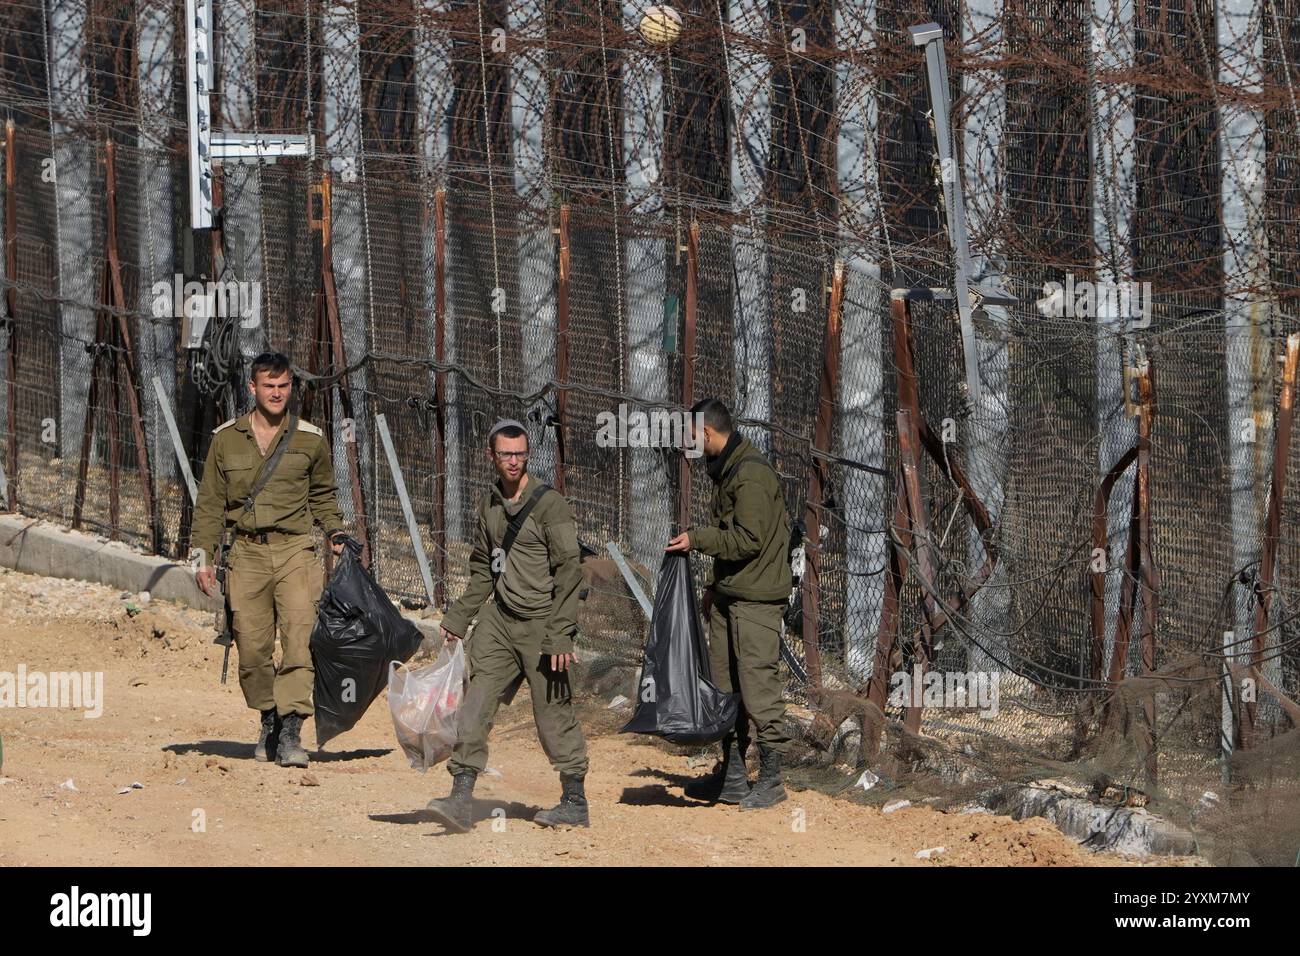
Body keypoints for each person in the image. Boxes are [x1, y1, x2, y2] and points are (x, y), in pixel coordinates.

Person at [425, 419, 589, 832]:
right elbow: (483, 567)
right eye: (505, 454)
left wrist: (561, 632)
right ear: (491, 456)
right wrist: (460, 617)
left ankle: (574, 800)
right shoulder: (490, 504)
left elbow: (570, 571)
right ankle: (461, 795)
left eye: (520, 453)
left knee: (553, 715)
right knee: (476, 702)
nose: (513, 461)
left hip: (543, 623)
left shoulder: (550, 505)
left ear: (527, 454)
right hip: (499, 620)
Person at [193, 352, 347, 768]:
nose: (276, 393)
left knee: (300, 641)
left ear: (290, 389)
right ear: (253, 388)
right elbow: (209, 504)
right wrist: (201, 557)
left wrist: (334, 531)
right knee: (252, 648)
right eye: (268, 386)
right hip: (246, 553)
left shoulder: (310, 439)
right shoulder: (226, 438)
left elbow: (323, 495)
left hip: (296, 550)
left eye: (283, 387)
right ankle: (269, 719)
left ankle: (293, 731)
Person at [667, 398, 792, 809]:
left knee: (758, 689)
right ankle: (734, 775)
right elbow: (732, 538)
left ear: (705, 432)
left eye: (690, 434)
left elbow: (747, 540)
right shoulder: (726, 468)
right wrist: (712, 588)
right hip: (730, 593)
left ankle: (771, 779)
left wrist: (697, 538)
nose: (688, 442)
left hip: (756, 601)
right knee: (725, 689)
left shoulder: (750, 474)